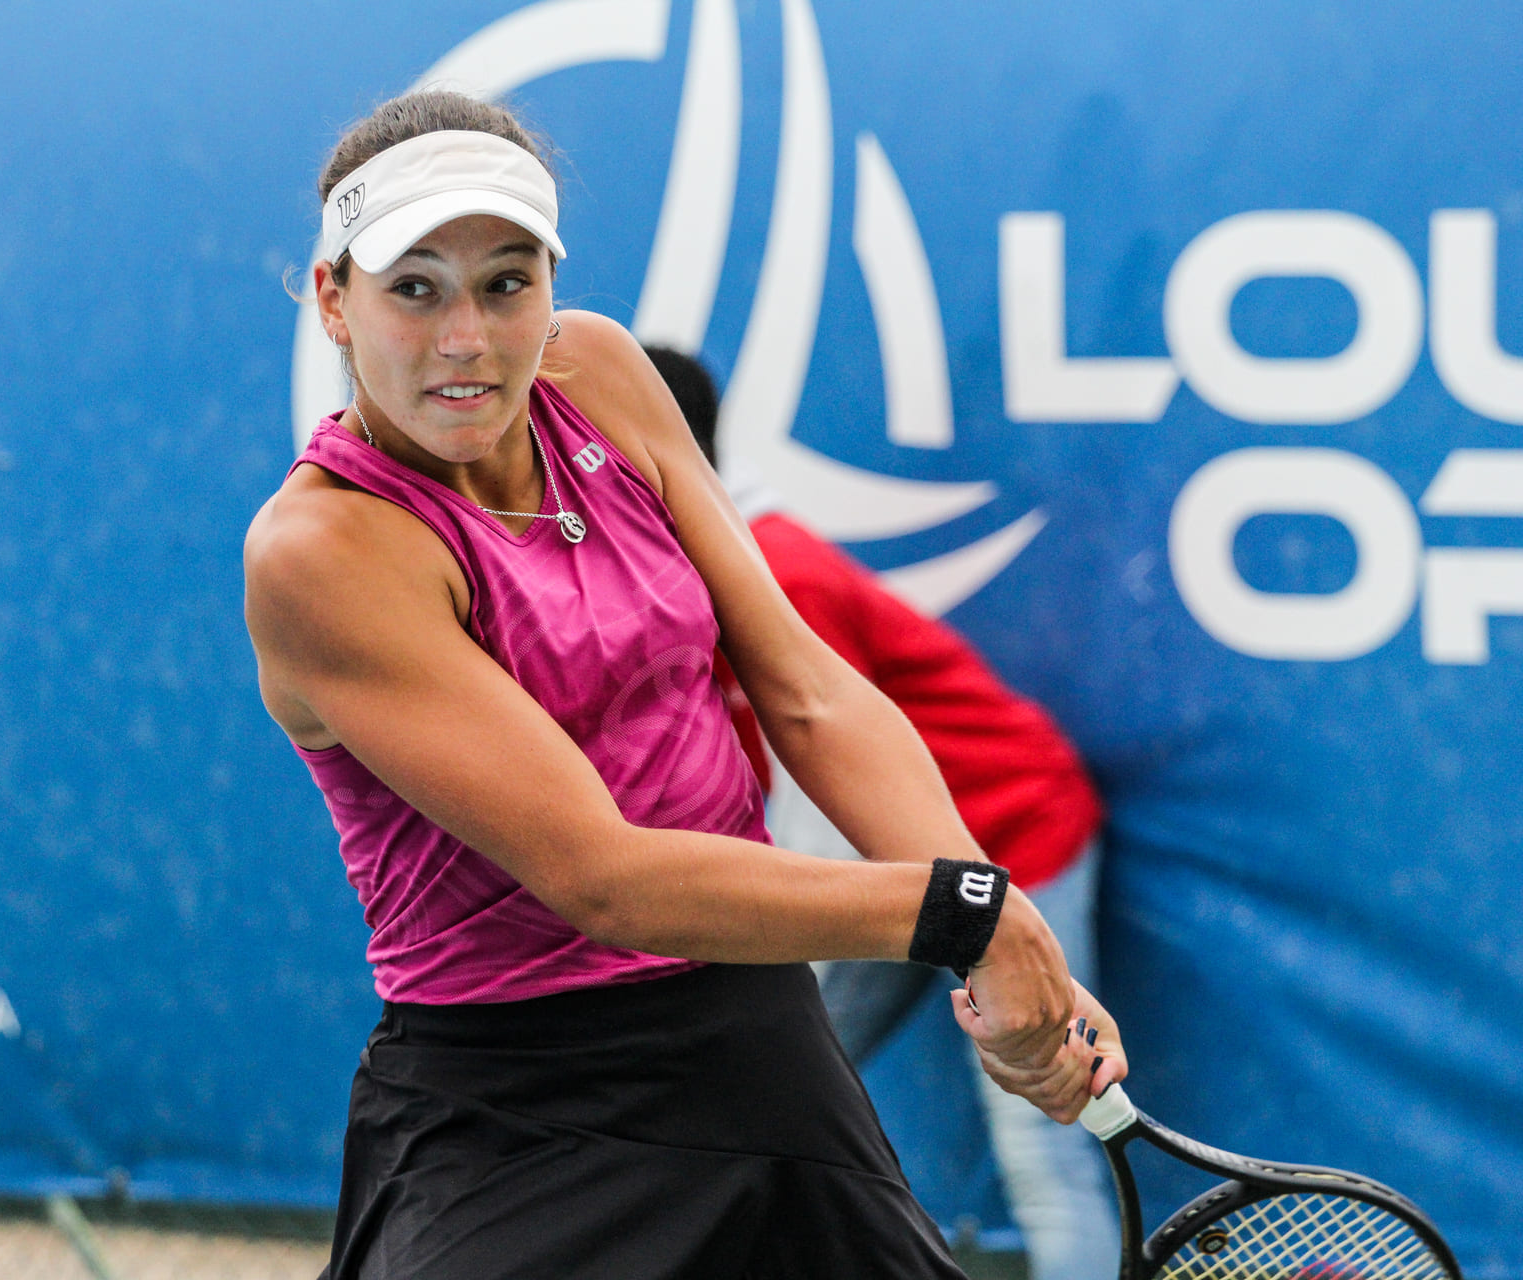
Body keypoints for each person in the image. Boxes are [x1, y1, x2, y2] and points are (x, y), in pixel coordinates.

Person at [245, 88, 1125, 1279]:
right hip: (518, 1103)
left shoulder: (600, 370)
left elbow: (805, 688)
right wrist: (968, 916)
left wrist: (990, 919)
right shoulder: (323, 552)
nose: (466, 338)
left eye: (506, 282)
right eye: (415, 287)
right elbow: (602, 877)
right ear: (333, 300)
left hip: (757, 1041)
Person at [645, 344, 1122, 1280]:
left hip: (1014, 833)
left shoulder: (776, 571)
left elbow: (831, 792)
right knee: (771, 1090)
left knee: (1042, 1141)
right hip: (901, 878)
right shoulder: (680, 581)